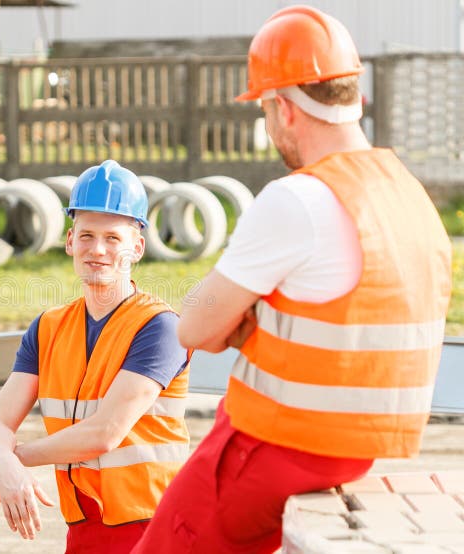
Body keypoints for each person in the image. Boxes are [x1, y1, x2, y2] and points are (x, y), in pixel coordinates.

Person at [132, 5, 452, 553]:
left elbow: (193, 328)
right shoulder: (406, 194)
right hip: (355, 451)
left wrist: (240, 314)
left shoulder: (297, 199)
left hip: (267, 450)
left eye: (264, 108)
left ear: (283, 107)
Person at [0, 159, 191, 553]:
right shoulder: (49, 328)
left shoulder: (159, 328)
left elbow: (103, 434)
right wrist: (3, 463)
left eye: (113, 238)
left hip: (156, 528)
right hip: (86, 529)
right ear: (70, 241)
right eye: (88, 235)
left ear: (137, 248)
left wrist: (10, 459)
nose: (98, 249)